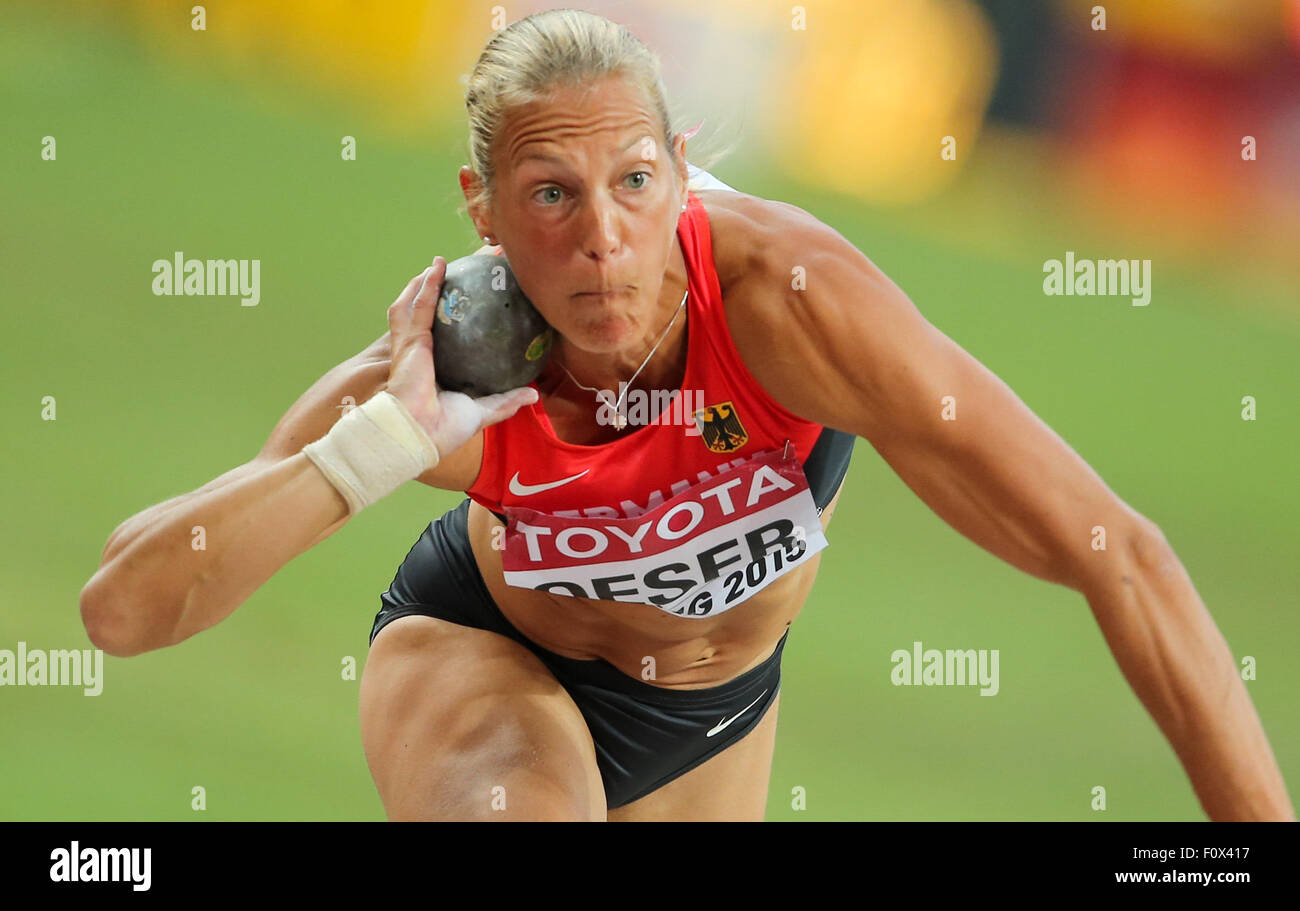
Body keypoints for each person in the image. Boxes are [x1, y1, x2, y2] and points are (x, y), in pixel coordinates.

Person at [80, 9, 1294, 822]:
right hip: (493, 663)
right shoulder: (451, 368)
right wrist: (382, 444)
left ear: (681, 164)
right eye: (549, 194)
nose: (601, 241)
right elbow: (125, 608)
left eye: (634, 185)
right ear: (481, 208)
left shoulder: (790, 305)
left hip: (718, 717)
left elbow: (1117, 553)